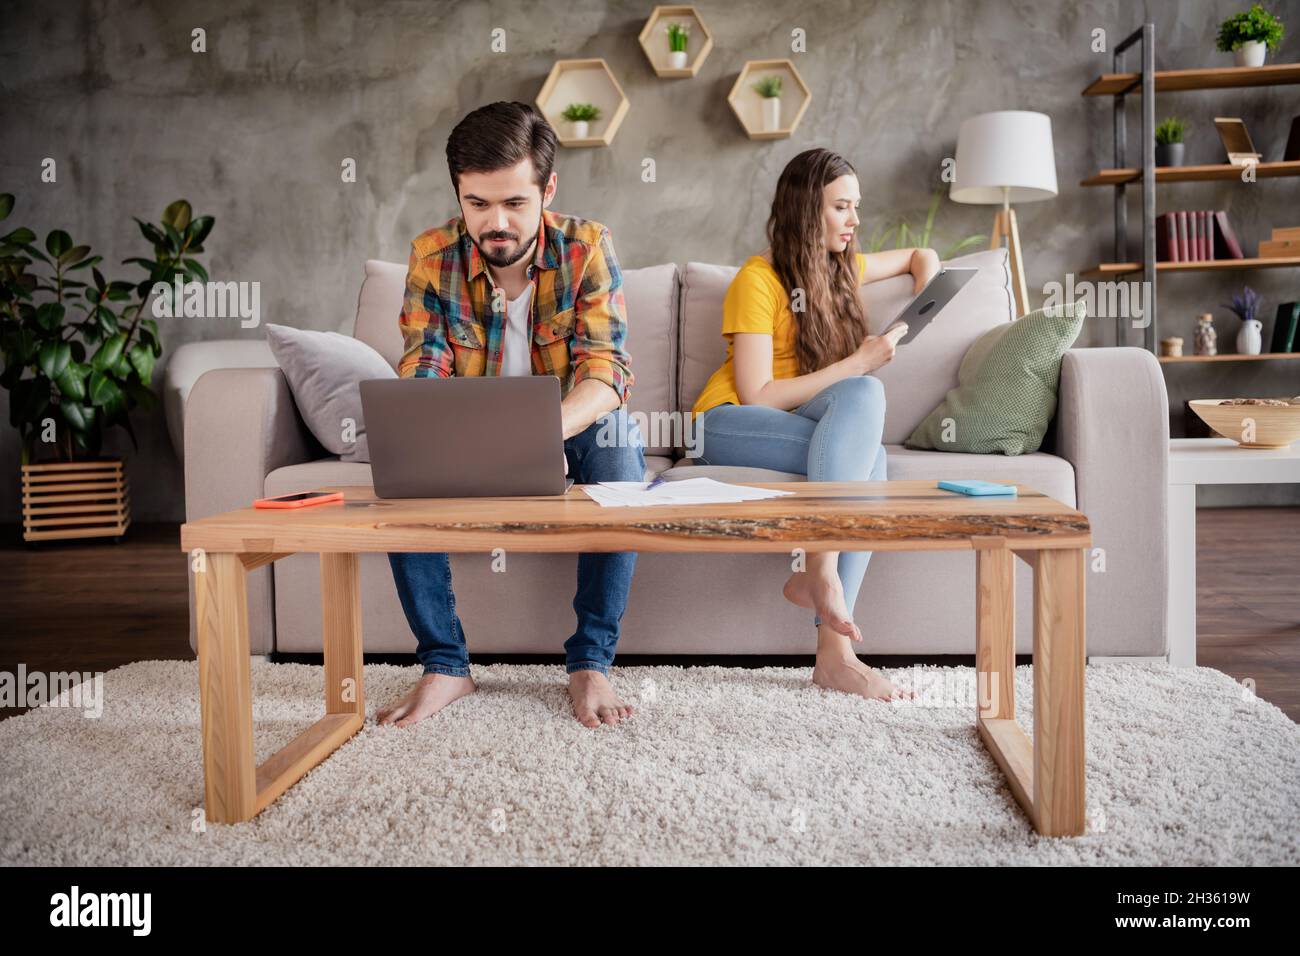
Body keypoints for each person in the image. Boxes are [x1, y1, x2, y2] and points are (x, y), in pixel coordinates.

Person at [378, 101, 645, 730]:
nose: (495, 223)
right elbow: (424, 369)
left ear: (547, 190)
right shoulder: (432, 255)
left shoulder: (588, 248)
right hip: (471, 429)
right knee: (401, 459)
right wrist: (441, 435)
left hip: (572, 427)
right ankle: (445, 666)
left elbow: (608, 372)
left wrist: (537, 434)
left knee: (620, 451)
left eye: (515, 203)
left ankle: (590, 663)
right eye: (477, 204)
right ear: (459, 194)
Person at [689, 147, 941, 702]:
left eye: (856, 207)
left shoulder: (842, 268)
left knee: (871, 458)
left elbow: (921, 255)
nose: (854, 221)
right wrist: (857, 363)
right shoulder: (758, 280)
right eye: (841, 208)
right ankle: (821, 582)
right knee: (863, 392)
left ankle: (833, 649)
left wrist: (924, 292)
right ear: (808, 211)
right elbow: (759, 393)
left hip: (789, 423)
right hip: (724, 423)